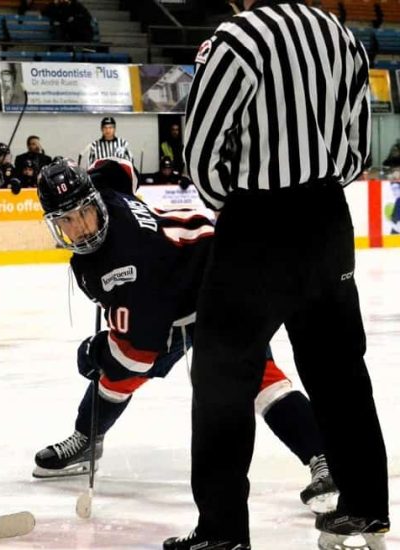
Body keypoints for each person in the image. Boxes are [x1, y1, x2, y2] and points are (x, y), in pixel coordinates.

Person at [173, 1, 389, 549]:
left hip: (258, 224)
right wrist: (317, 188)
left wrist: (239, 203)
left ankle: (222, 533)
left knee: (223, 375)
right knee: (340, 368)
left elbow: (200, 148)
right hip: (327, 222)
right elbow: (359, 143)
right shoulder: (340, 34)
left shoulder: (237, 36)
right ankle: (365, 506)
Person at [32, 158, 337, 515]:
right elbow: (120, 169)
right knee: (118, 379)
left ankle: (327, 459)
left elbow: (139, 353)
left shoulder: (127, 262)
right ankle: (87, 438)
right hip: (174, 293)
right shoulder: (105, 190)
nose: (80, 228)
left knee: (255, 376)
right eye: (66, 220)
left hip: (220, 281)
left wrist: (95, 353)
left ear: (95, 201)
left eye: (84, 212)